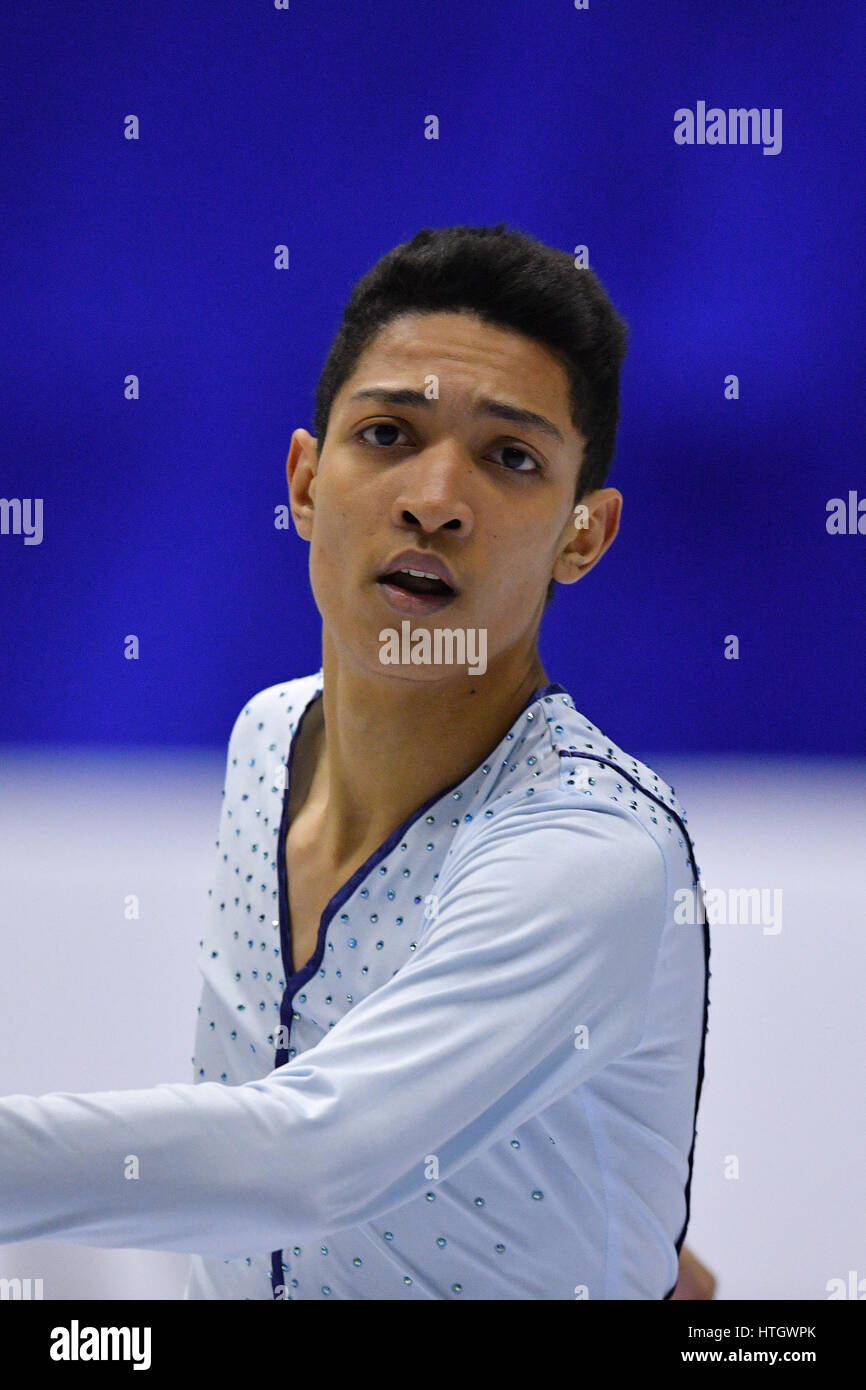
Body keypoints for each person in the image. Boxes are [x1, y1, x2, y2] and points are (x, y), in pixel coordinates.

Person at [0, 224, 711, 1299]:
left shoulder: (589, 847)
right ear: (303, 480)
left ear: (582, 535)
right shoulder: (265, 738)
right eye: (387, 434)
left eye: (509, 457)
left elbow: (312, 1156)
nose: (434, 499)